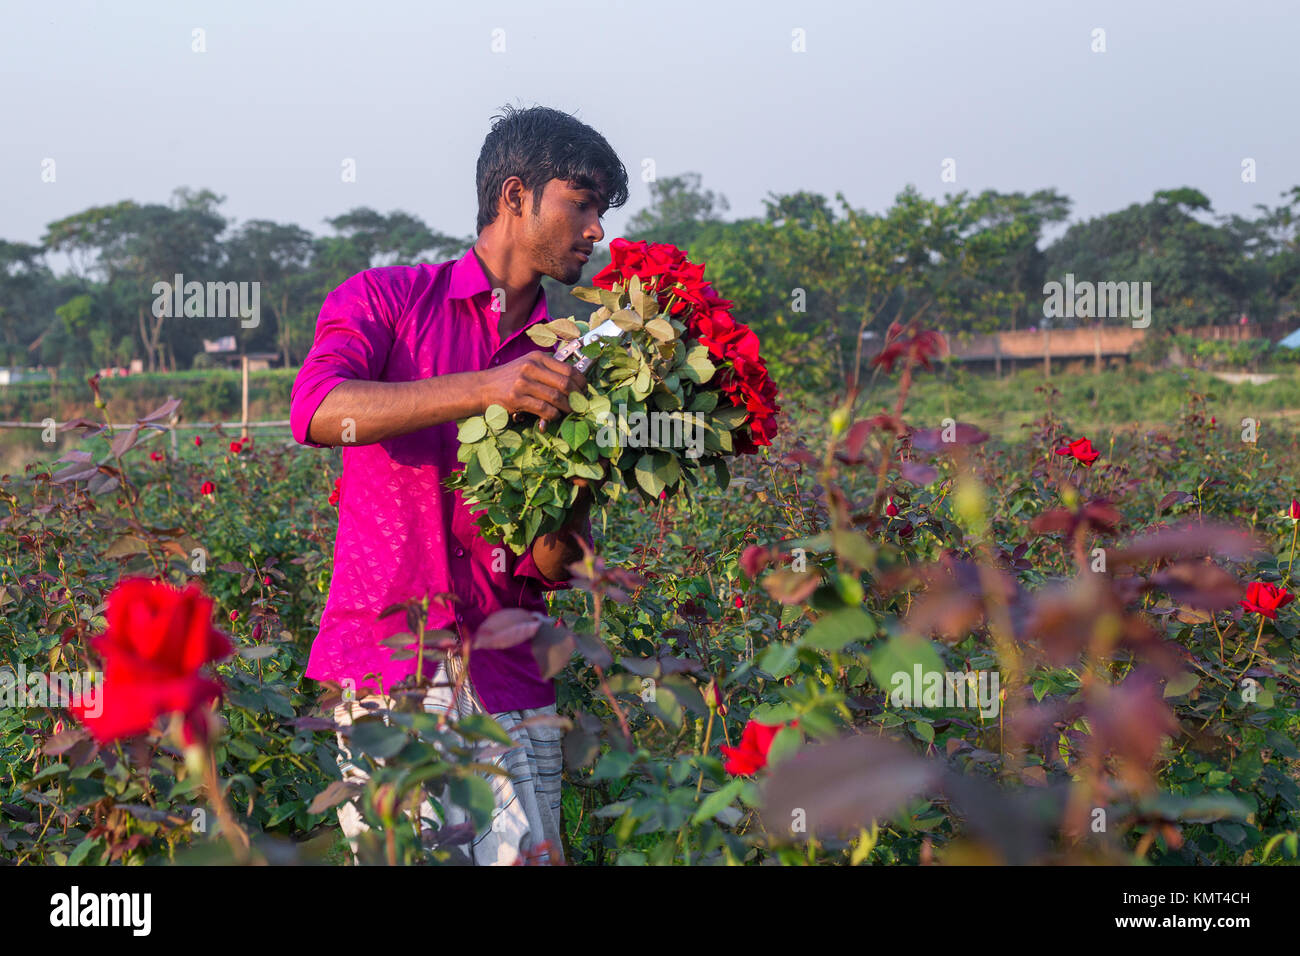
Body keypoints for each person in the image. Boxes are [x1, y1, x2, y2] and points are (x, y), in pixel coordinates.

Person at [289, 104, 629, 864]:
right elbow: (317, 410)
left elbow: (556, 566)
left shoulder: (573, 360)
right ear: (516, 196)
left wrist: (583, 469)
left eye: (600, 212)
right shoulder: (385, 300)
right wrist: (489, 388)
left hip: (511, 671)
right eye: (582, 204)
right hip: (393, 669)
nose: (596, 232)